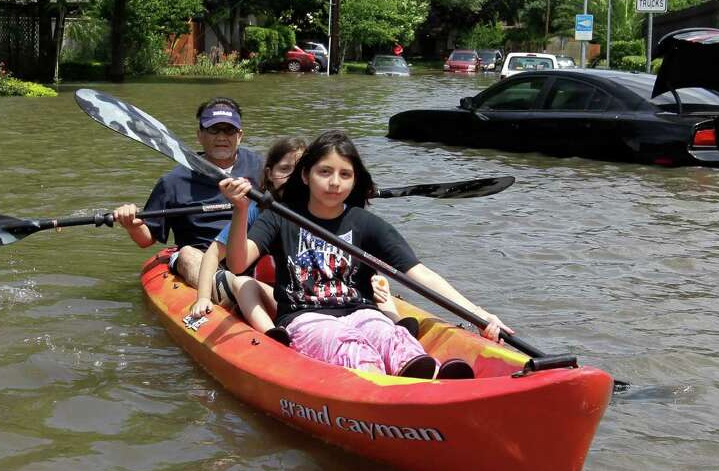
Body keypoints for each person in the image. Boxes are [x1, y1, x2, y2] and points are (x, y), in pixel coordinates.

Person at [219, 130, 511, 380]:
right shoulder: (279, 218)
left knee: (393, 337)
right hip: (305, 317)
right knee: (349, 346)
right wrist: (241, 210)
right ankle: (382, 391)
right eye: (325, 172)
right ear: (305, 175)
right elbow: (237, 263)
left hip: (362, 312)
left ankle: (433, 383)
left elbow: (419, 273)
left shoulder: (364, 222)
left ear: (354, 181)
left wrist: (481, 316)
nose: (335, 183)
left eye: (345, 174)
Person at [112, 97, 263, 295]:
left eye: (229, 130)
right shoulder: (173, 181)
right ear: (199, 135)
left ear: (240, 135)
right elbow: (146, 239)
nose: (221, 137)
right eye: (214, 130)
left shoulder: (263, 167)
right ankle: (229, 294)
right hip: (200, 256)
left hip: (250, 252)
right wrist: (132, 224)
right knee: (187, 254)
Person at [189, 136, 307, 327]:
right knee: (241, 282)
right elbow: (213, 253)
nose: (291, 178)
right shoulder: (256, 209)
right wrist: (203, 298)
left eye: (299, 170)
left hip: (304, 298)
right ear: (269, 174)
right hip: (261, 293)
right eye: (284, 169)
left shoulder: (319, 210)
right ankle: (271, 334)